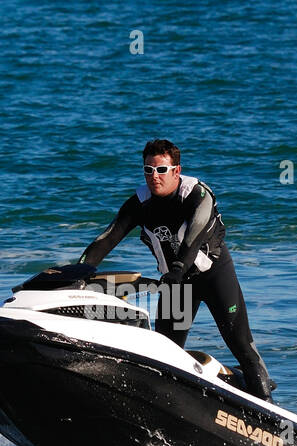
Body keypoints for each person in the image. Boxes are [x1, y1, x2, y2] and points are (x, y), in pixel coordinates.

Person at [77, 139, 275, 401]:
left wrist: (178, 268)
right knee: (165, 352)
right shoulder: (139, 203)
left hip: (215, 278)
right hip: (178, 285)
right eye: (148, 170)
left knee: (242, 345)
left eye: (161, 170)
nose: (154, 177)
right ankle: (167, 406)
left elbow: (194, 237)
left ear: (176, 171)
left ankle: (268, 408)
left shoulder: (197, 195)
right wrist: (77, 272)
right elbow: (108, 239)